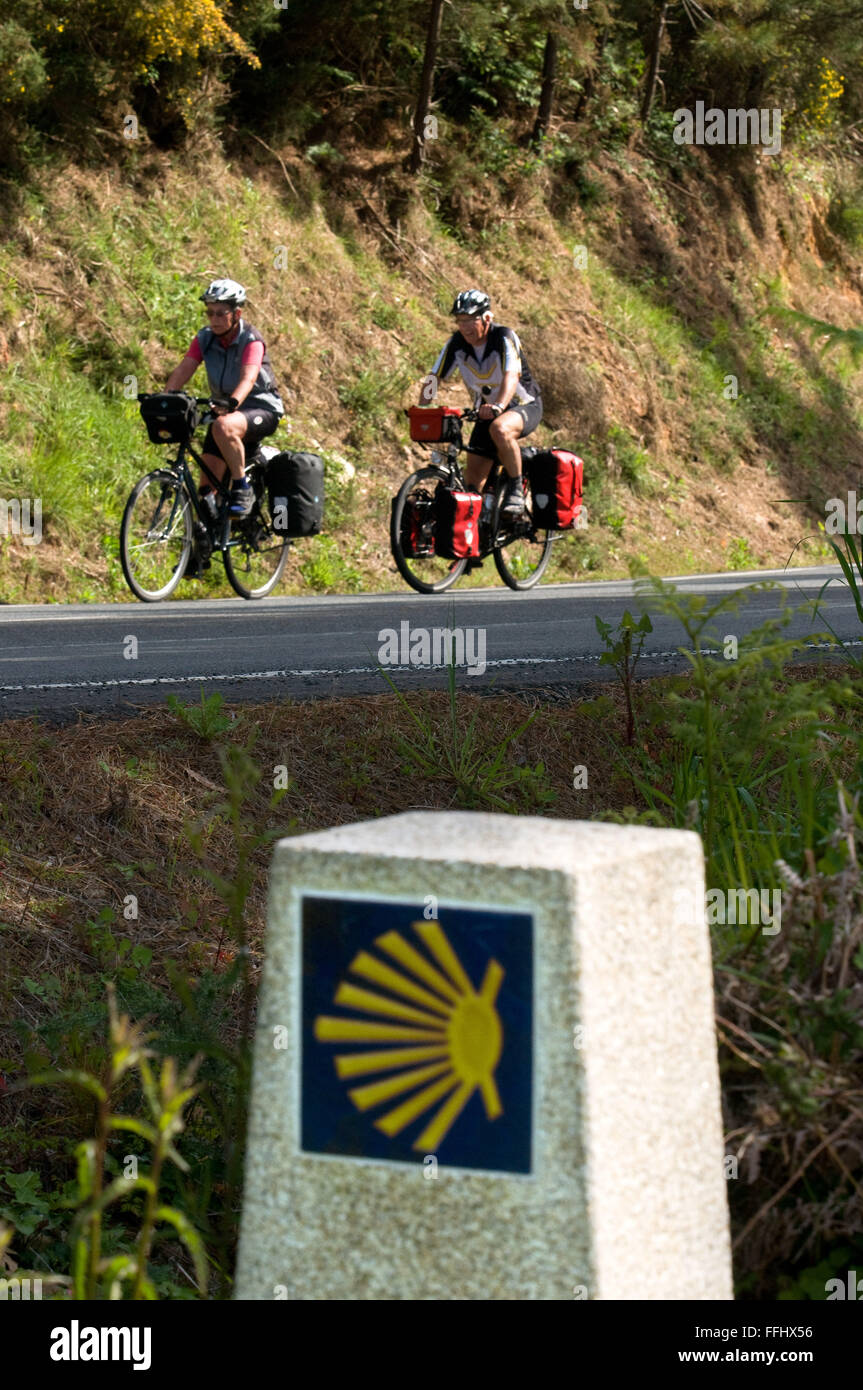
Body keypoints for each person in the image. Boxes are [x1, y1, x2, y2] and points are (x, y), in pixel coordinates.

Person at [164, 279, 284, 518]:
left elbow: (248, 379)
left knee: (223, 426)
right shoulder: (205, 338)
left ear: (236, 313)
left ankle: (242, 487)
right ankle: (202, 547)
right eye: (210, 313)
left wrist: (231, 403)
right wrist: (166, 398)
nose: (214, 319)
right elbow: (183, 369)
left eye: (221, 313)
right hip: (225, 411)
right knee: (206, 492)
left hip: (260, 408)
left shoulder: (251, 340)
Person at [419, 289, 543, 516]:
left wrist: (498, 406)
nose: (465, 327)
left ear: (487, 318)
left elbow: (511, 376)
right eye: (460, 321)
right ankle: (481, 526)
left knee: (501, 429)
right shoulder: (456, 343)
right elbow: (434, 376)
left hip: (523, 405)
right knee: (473, 482)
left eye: (470, 320)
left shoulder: (503, 337)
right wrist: (421, 406)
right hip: (487, 411)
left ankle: (516, 489)